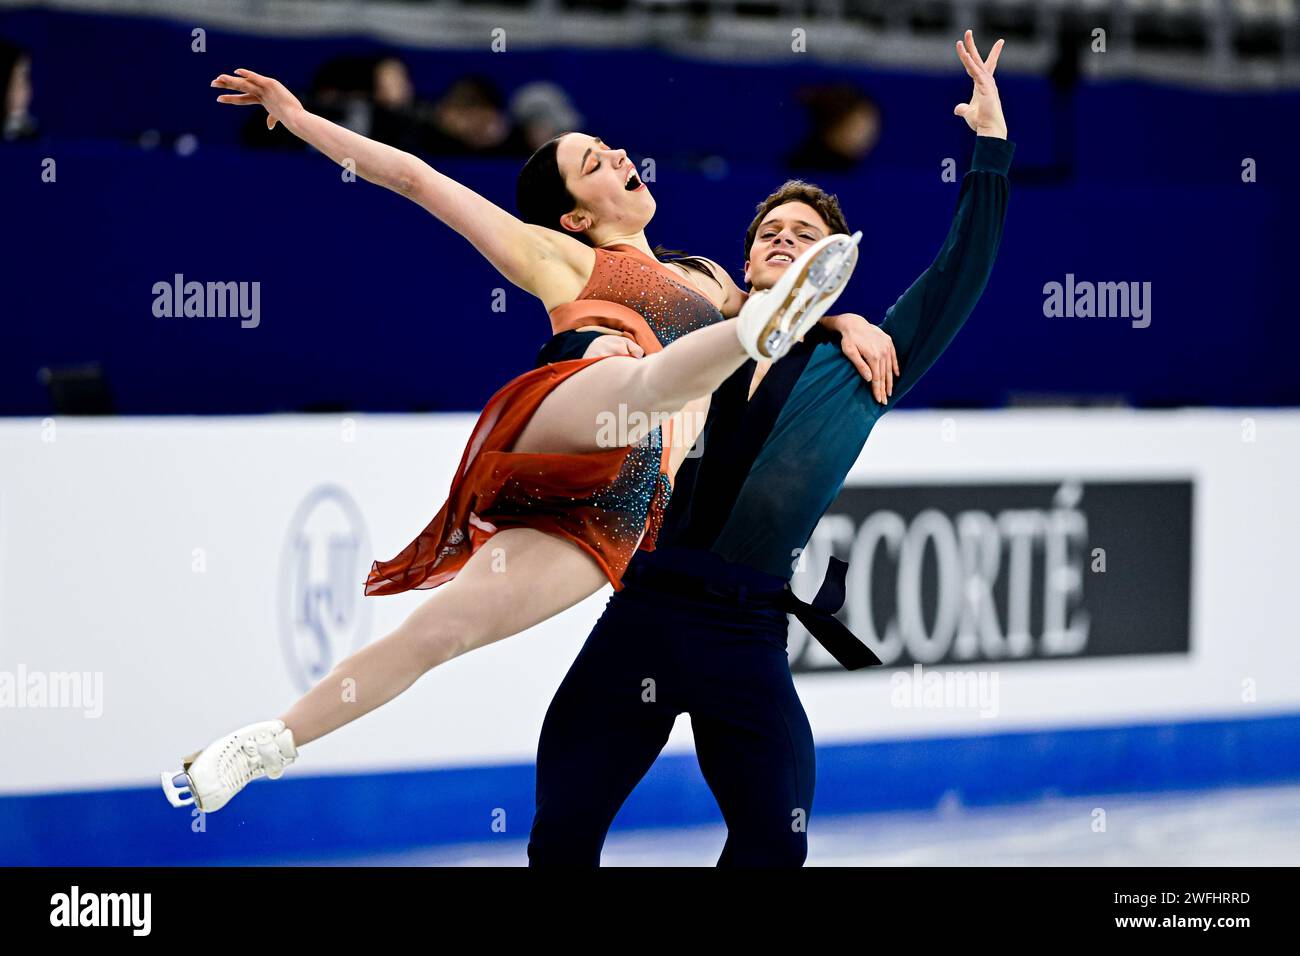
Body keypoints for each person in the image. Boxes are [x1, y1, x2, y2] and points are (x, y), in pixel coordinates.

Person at [160, 67, 862, 814]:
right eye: (593, 165)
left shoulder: (709, 277)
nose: (618, 156)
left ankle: (269, 742)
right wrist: (300, 120)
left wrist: (842, 321)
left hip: (621, 506)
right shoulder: (559, 258)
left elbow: (784, 312)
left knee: (441, 632)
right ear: (574, 220)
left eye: (608, 148)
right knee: (637, 374)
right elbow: (417, 179)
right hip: (577, 409)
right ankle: (731, 340)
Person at [526, 31, 1014, 867]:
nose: (785, 239)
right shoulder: (687, 329)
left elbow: (961, 269)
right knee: (559, 840)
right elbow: (598, 291)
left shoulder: (867, 365)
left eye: (808, 236)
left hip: (744, 635)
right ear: (746, 257)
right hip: (637, 611)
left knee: (774, 846)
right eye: (771, 231)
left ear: (834, 265)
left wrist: (991, 150)